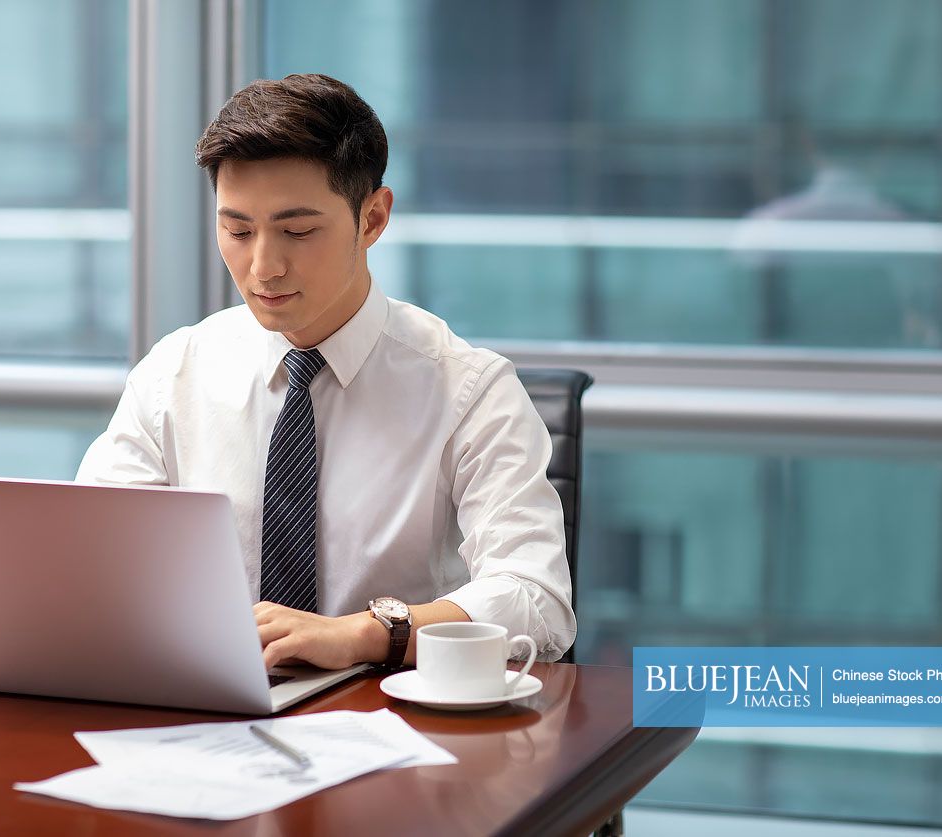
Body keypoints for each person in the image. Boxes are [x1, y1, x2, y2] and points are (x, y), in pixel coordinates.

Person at [76, 73, 575, 671]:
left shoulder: (468, 390)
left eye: (298, 231)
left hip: (394, 723)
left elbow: (538, 601)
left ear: (372, 219)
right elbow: (93, 562)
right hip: (202, 707)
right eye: (237, 230)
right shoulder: (175, 371)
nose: (263, 267)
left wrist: (363, 635)